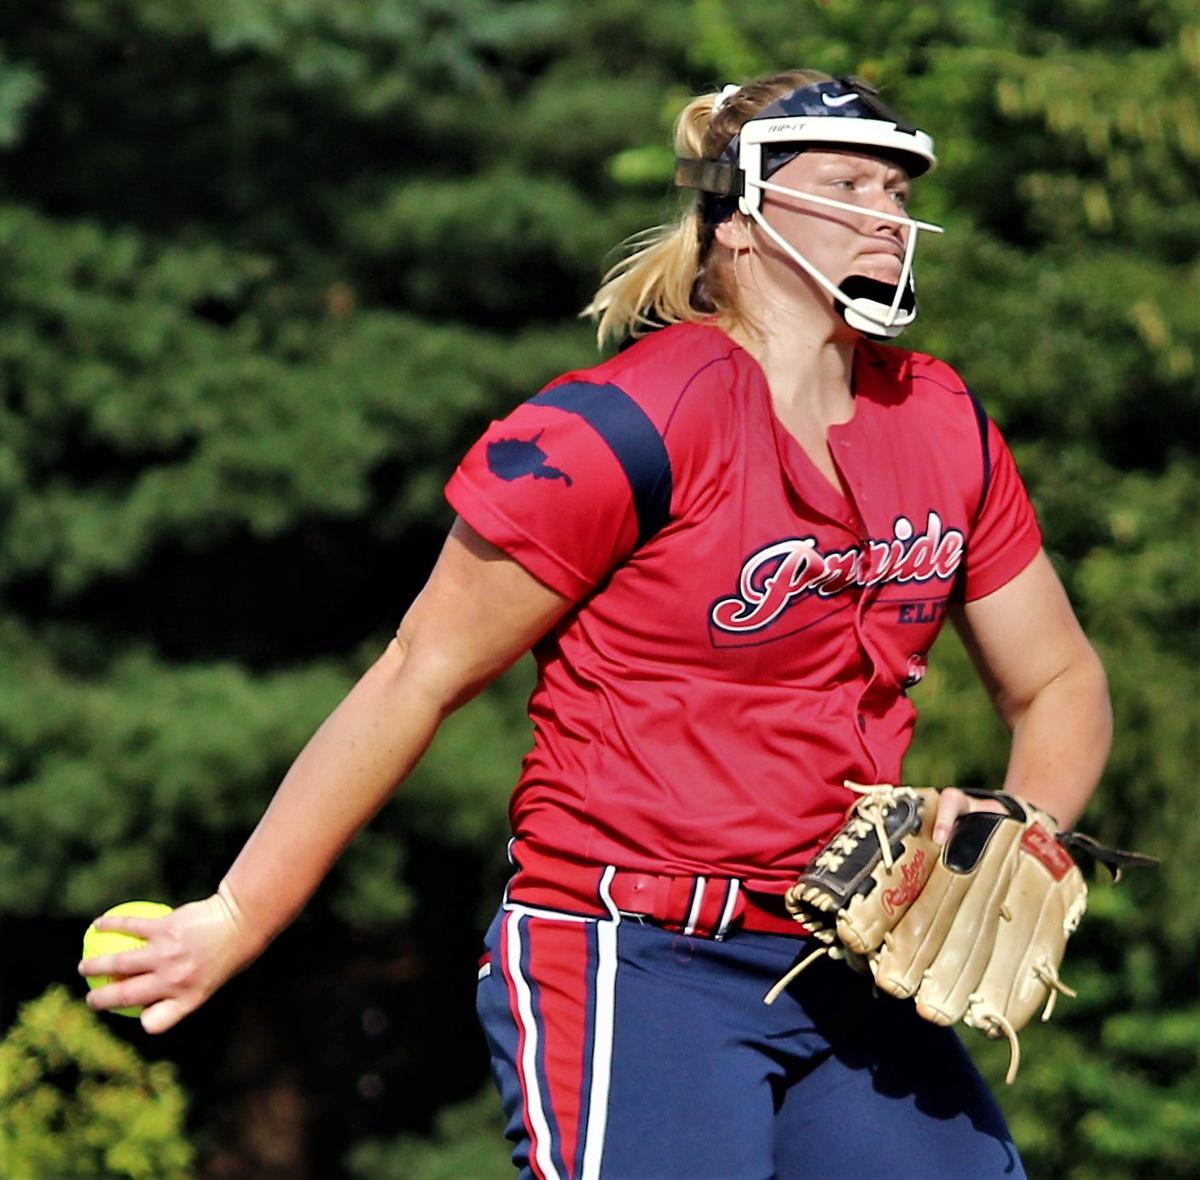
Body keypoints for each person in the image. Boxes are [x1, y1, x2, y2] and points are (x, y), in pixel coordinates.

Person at [80, 69, 1112, 1178]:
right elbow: (414, 673)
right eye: (848, 182)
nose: (889, 215)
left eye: (899, 190)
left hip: (847, 954)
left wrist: (1018, 819)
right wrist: (238, 914)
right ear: (741, 214)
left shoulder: (941, 422)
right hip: (635, 954)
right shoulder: (624, 427)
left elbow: (1058, 683)